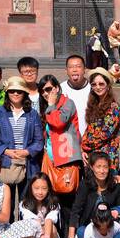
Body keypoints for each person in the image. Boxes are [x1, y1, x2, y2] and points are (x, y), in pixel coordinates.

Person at [66, 151, 120, 238]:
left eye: (105, 167)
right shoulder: (85, 185)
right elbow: (75, 211)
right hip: (90, 231)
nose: (102, 171)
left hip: (109, 231)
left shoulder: (116, 186)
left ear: (109, 168)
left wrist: (108, 237)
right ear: (92, 167)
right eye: (98, 167)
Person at [39, 73, 83, 216]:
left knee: (67, 203)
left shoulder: (67, 103)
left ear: (57, 88)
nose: (46, 93)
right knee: (50, 204)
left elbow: (59, 122)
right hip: (51, 161)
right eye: (43, 90)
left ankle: (69, 236)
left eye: (49, 89)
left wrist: (51, 106)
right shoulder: (45, 107)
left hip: (66, 159)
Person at [0, 78, 44, 191]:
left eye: (19, 91)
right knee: (6, 201)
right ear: (7, 93)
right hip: (6, 162)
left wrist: (27, 151)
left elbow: (39, 139)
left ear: (24, 93)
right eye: (12, 91)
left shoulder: (32, 114)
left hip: (27, 163)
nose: (15, 93)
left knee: (26, 201)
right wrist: (5, 151)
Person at [19, 173, 65, 238]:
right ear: (30, 188)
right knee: (34, 227)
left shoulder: (54, 203)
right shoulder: (24, 204)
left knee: (51, 226)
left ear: (49, 189)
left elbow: (49, 219)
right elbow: (33, 222)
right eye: (36, 188)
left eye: (44, 188)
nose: (40, 192)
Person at [80, 68, 120, 167]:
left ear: (108, 86)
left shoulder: (114, 107)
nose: (97, 87)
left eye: (101, 84)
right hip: (92, 157)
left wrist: (84, 146)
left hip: (106, 158)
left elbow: (104, 134)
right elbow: (89, 130)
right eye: (94, 84)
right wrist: (82, 149)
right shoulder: (94, 105)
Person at [60, 55, 91, 133]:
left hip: (89, 138)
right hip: (68, 139)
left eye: (78, 66)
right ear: (66, 70)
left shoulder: (93, 89)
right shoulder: (60, 89)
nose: (74, 70)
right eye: (70, 67)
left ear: (84, 69)